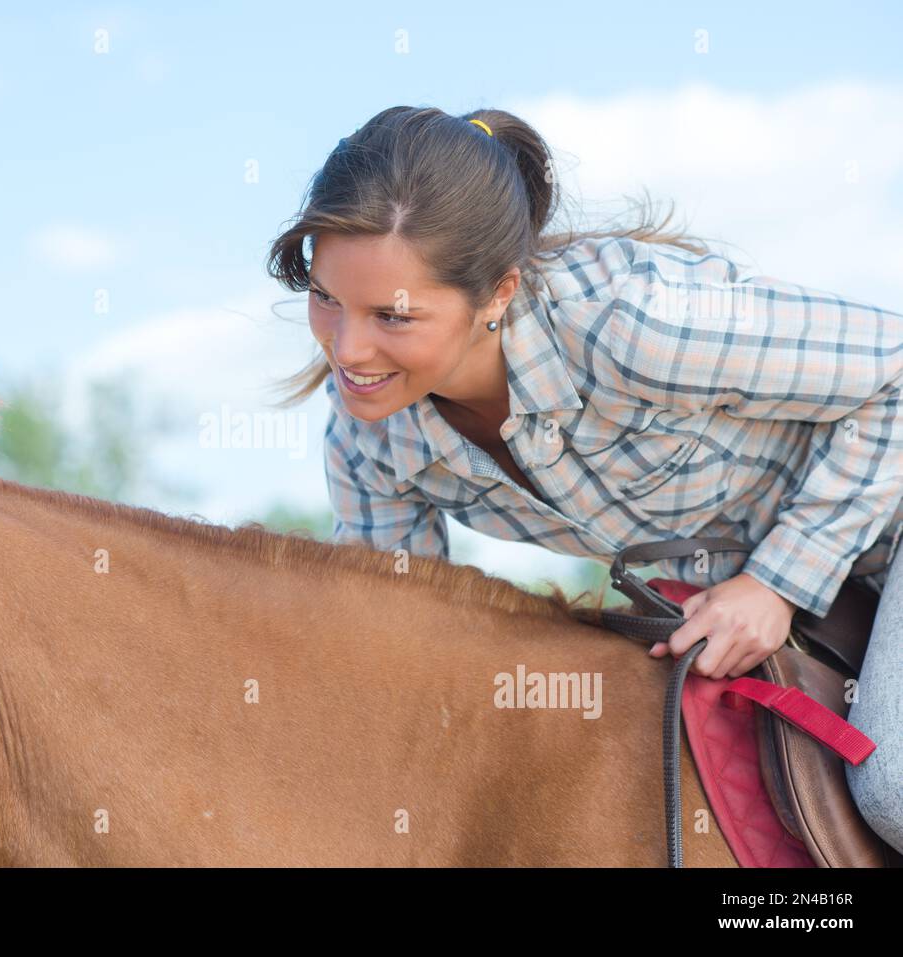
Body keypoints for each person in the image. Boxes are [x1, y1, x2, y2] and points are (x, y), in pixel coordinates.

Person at [265, 105, 903, 853]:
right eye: (326, 298)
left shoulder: (631, 321)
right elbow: (402, 641)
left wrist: (779, 581)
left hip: (880, 534)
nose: (347, 349)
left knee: (890, 789)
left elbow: (897, 375)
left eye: (391, 317)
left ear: (497, 296)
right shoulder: (367, 441)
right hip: (747, 612)